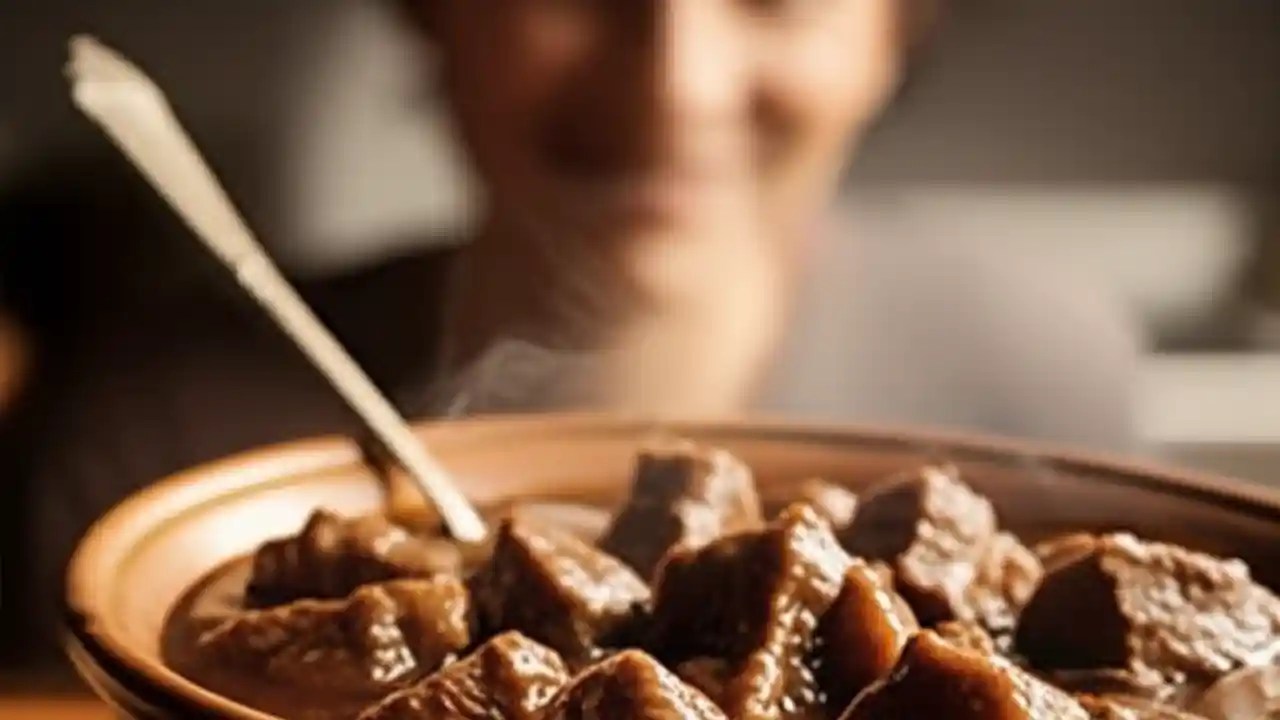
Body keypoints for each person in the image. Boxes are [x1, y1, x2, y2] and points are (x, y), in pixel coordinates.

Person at [5, 0, 1140, 661]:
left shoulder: (1031, 368)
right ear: (435, 17)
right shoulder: (149, 431)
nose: (674, 87)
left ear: (899, 25)